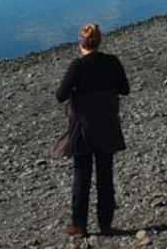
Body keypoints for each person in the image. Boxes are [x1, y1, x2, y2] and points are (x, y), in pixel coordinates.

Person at [55, 23, 130, 237]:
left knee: (82, 176)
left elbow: (60, 95)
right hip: (106, 126)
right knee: (105, 176)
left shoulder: (77, 66)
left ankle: (79, 225)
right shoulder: (112, 62)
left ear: (81, 42)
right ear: (99, 40)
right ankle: (105, 224)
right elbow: (125, 89)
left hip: (83, 129)